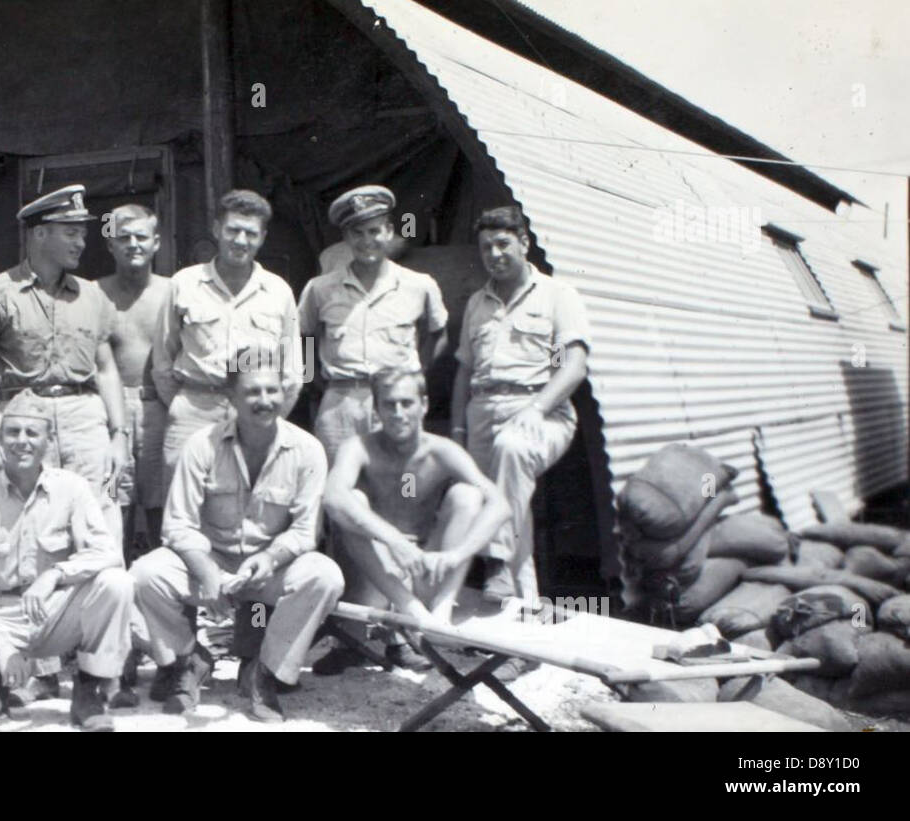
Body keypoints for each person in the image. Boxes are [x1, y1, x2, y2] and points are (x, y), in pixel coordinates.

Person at [130, 360, 343, 722]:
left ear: (285, 393)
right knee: (144, 573)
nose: (264, 400)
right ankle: (188, 660)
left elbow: (306, 531)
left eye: (271, 390)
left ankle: (264, 672)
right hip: (210, 563)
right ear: (231, 397)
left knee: (325, 576)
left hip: (269, 569)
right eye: (252, 391)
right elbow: (177, 525)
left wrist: (272, 558)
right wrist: (207, 571)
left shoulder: (308, 450)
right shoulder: (202, 445)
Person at [0, 390, 135, 732]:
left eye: (32, 433)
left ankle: (88, 689)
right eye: (12, 432)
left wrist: (55, 573)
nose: (21, 442)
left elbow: (107, 551)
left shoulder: (73, 488)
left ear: (48, 442)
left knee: (117, 583)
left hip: (53, 613)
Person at [0, 183, 127, 538]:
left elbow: (107, 369)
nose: (81, 242)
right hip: (23, 416)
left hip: (85, 419)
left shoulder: (92, 295)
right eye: (70, 233)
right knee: (27, 519)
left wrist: (119, 434)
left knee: (98, 517)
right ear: (39, 233)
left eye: (82, 233)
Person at [315, 368, 511, 675]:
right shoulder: (358, 447)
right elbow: (333, 498)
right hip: (374, 576)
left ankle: (440, 613)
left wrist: (456, 555)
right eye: (389, 404)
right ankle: (409, 617)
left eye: (407, 403)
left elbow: (500, 504)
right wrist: (393, 539)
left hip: (423, 569)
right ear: (375, 409)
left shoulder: (442, 450)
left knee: (468, 495)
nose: (398, 413)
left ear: (424, 405)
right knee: (353, 501)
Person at [450, 205, 590, 608]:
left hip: (540, 410)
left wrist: (538, 407)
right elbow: (464, 371)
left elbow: (575, 366)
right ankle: (522, 621)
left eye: (502, 244)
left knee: (511, 452)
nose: (494, 254)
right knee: (507, 505)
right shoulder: (477, 303)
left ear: (524, 244)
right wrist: (458, 432)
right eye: (485, 247)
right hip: (483, 410)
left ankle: (494, 558)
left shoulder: (558, 295)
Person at [151, 189, 303, 489]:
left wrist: (269, 414)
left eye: (251, 233)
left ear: (262, 237)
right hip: (194, 408)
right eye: (233, 230)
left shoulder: (280, 290)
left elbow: (298, 367)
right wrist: (185, 401)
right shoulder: (184, 283)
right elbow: (162, 359)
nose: (241, 240)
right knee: (183, 499)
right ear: (217, 229)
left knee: (249, 498)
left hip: (255, 411)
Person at [298, 184, 448, 460]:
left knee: (402, 486)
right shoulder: (320, 289)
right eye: (357, 232)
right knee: (336, 488)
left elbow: (438, 333)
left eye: (374, 231)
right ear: (345, 237)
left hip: (396, 402)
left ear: (389, 232)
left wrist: (416, 376)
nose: (366, 241)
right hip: (340, 403)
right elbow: (302, 337)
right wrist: (317, 383)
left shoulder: (419, 285)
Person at [98, 203, 171, 557]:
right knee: (115, 501)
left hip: (161, 405)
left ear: (156, 243)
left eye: (141, 236)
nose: (133, 244)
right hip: (110, 411)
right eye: (122, 237)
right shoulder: (94, 294)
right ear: (110, 245)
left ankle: (166, 599)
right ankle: (118, 589)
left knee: (163, 503)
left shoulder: (174, 292)